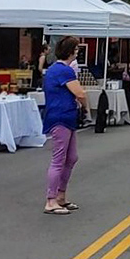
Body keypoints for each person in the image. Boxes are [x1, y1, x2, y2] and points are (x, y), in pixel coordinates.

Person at [42, 36, 87, 215]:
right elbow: (79, 92)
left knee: (71, 157)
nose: (77, 52)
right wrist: (85, 106)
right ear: (71, 51)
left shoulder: (54, 70)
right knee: (59, 158)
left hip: (65, 116)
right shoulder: (64, 71)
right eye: (76, 49)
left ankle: (60, 195)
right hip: (61, 116)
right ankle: (51, 199)